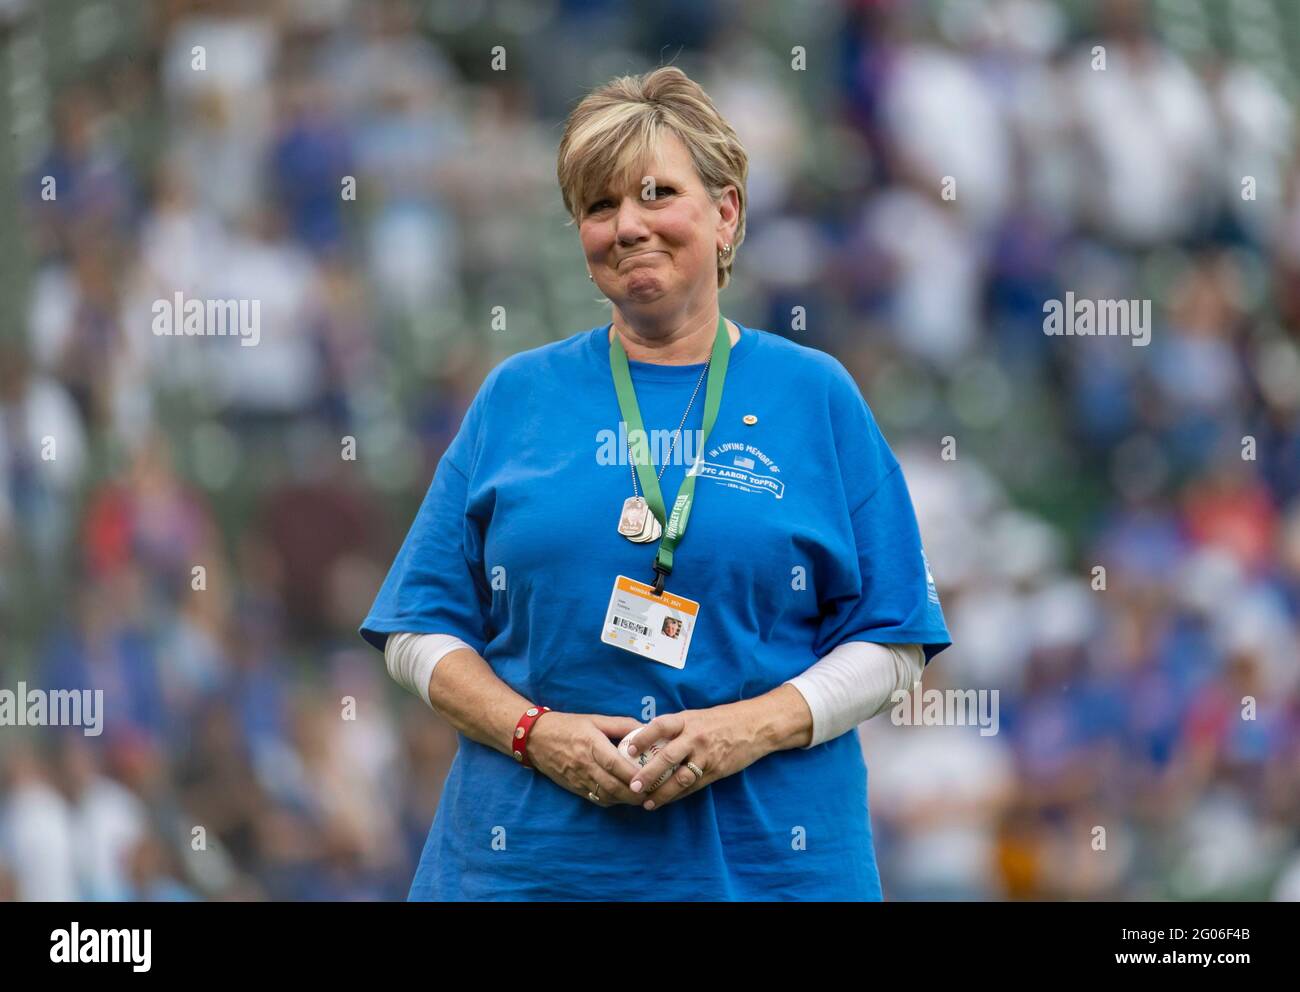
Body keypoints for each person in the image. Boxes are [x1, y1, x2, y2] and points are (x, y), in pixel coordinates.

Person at [360, 66, 951, 900]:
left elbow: (894, 639)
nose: (628, 225)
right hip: (525, 868)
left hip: (767, 869)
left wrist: (746, 728)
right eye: (599, 208)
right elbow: (417, 629)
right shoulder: (516, 398)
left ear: (726, 213)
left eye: (656, 193)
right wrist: (534, 731)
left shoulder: (814, 395)